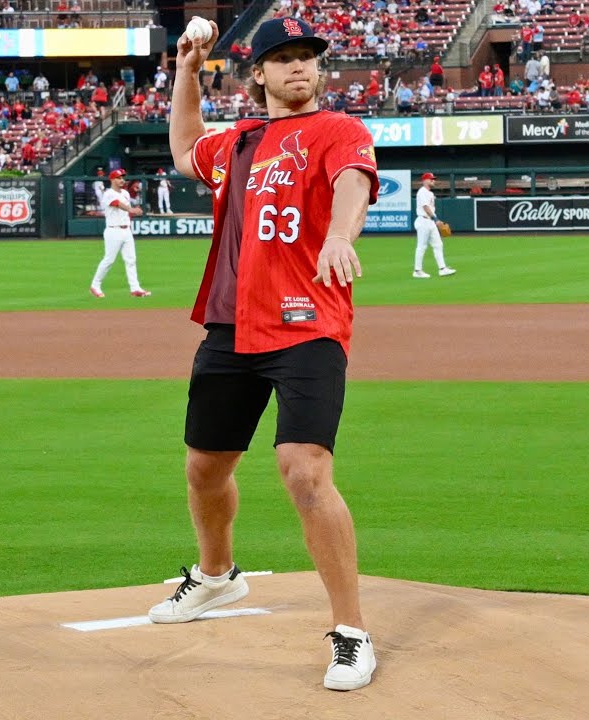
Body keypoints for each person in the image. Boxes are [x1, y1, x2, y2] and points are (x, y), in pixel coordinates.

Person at [150, 16, 380, 692]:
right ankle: (217, 578)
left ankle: (351, 633)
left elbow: (353, 183)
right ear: (259, 74)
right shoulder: (239, 141)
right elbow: (186, 146)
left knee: (304, 473)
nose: (299, 67)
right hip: (230, 327)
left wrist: (341, 235)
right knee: (204, 469)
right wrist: (187, 69)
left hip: (308, 324)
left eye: (307, 57)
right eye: (283, 58)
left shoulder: (337, 129)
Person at [89, 168, 150, 298]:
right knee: (109, 260)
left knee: (131, 260)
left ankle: (135, 288)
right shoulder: (108, 193)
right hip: (113, 230)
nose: (122, 180)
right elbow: (117, 204)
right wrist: (131, 209)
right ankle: (95, 285)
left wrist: (134, 212)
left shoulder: (125, 193)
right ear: (112, 179)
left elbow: (126, 211)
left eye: (123, 177)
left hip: (126, 230)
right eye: (119, 178)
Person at [412, 172, 456, 278]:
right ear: (425, 180)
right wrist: (435, 219)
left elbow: (430, 208)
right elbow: (425, 207)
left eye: (433, 179)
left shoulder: (430, 193)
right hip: (423, 221)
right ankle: (417, 271)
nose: (433, 181)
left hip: (430, 221)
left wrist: (436, 220)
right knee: (421, 246)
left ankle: (442, 269)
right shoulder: (422, 192)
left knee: (438, 244)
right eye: (431, 179)